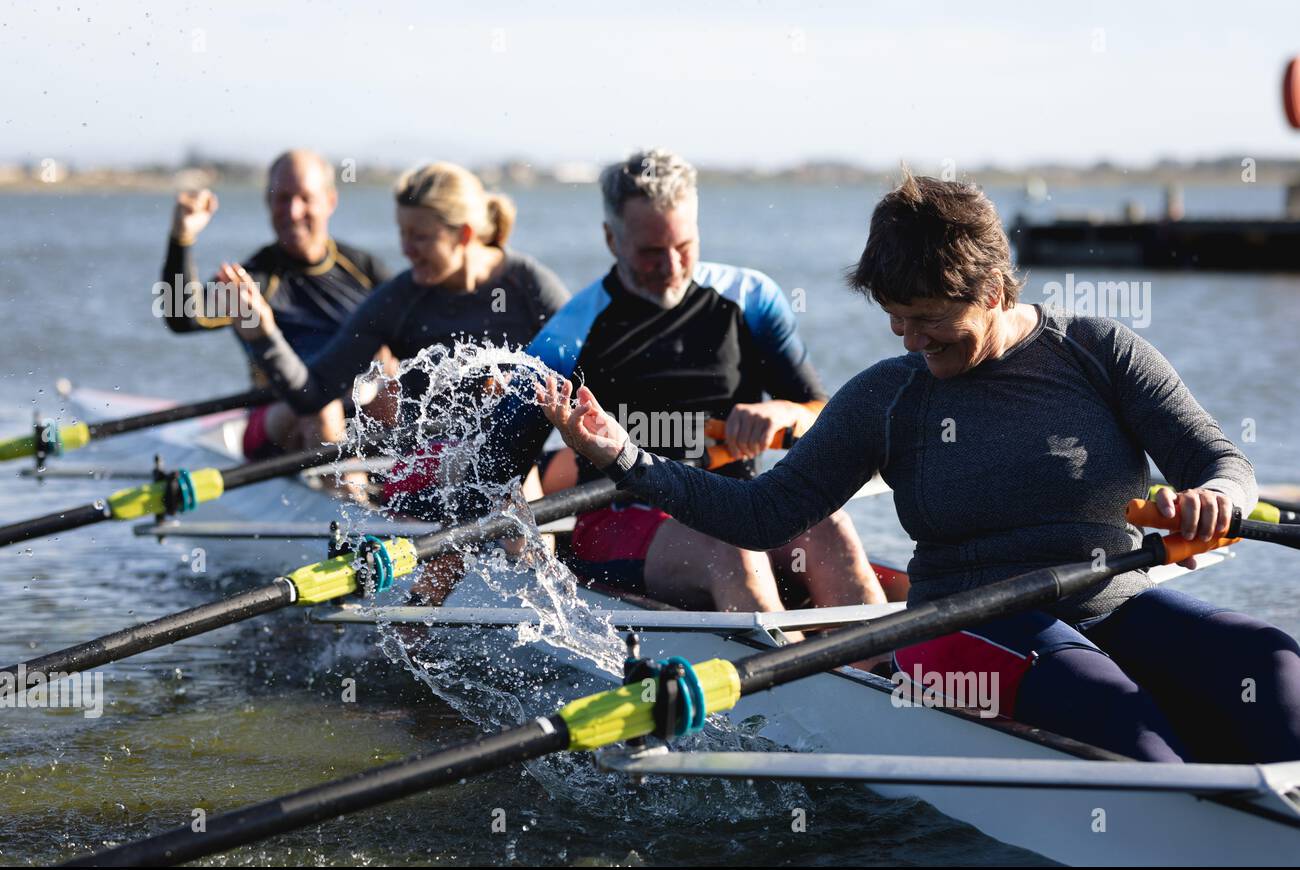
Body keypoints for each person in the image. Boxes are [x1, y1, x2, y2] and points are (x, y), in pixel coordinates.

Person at [539, 169, 1300, 764]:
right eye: (895, 320)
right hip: (957, 630)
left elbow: (1221, 462)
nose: (909, 342)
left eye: (931, 323)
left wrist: (1216, 498)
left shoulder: (1100, 353)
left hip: (1111, 597)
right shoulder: (886, 396)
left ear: (995, 290)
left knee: (1271, 665)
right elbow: (760, 515)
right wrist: (624, 456)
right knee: (1123, 723)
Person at [502, 149, 887, 632]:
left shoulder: (752, 299)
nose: (670, 266)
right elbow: (503, 456)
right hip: (618, 518)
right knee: (730, 549)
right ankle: (786, 678)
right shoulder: (572, 330)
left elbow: (822, 416)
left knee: (829, 526)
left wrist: (784, 413)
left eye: (683, 245)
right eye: (650, 252)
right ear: (610, 239)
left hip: (738, 502)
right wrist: (509, 558)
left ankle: (878, 671)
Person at [231, 161, 570, 504]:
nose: (406, 249)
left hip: (514, 457)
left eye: (420, 237)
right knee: (508, 476)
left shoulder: (530, 287)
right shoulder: (399, 298)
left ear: (463, 235)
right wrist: (264, 336)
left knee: (516, 470)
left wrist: (522, 388)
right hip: (418, 469)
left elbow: (588, 372)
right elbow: (313, 393)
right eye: (402, 233)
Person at [160, 150, 392, 460]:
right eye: (282, 199)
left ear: (329, 201)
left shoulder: (363, 269)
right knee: (320, 406)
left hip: (356, 415)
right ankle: (351, 499)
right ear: (268, 204)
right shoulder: (253, 280)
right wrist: (181, 238)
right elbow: (181, 316)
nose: (293, 211)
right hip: (275, 424)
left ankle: (398, 490)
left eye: (304, 198)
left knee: (396, 385)